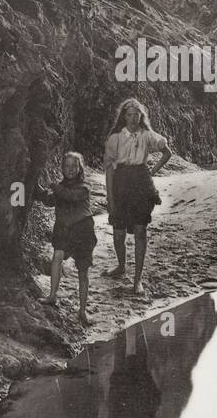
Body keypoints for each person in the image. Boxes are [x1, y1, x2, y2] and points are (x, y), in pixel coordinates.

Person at [103, 98, 172, 297]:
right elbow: (109, 171)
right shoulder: (115, 138)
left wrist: (152, 171)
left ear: (141, 116)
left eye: (136, 114)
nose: (133, 118)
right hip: (121, 183)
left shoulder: (147, 135)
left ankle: (137, 280)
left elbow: (167, 153)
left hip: (142, 184)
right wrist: (110, 199)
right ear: (123, 117)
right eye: (129, 114)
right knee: (118, 232)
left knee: (141, 231)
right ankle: (121, 266)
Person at [36, 152, 97, 325]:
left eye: (74, 166)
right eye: (67, 166)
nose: (70, 170)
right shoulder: (60, 187)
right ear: (62, 168)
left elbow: (71, 196)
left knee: (83, 271)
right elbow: (49, 200)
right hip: (63, 229)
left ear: (80, 169)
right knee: (57, 257)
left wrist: (54, 186)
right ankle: (52, 295)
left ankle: (83, 311)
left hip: (83, 231)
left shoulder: (84, 187)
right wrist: (37, 187)